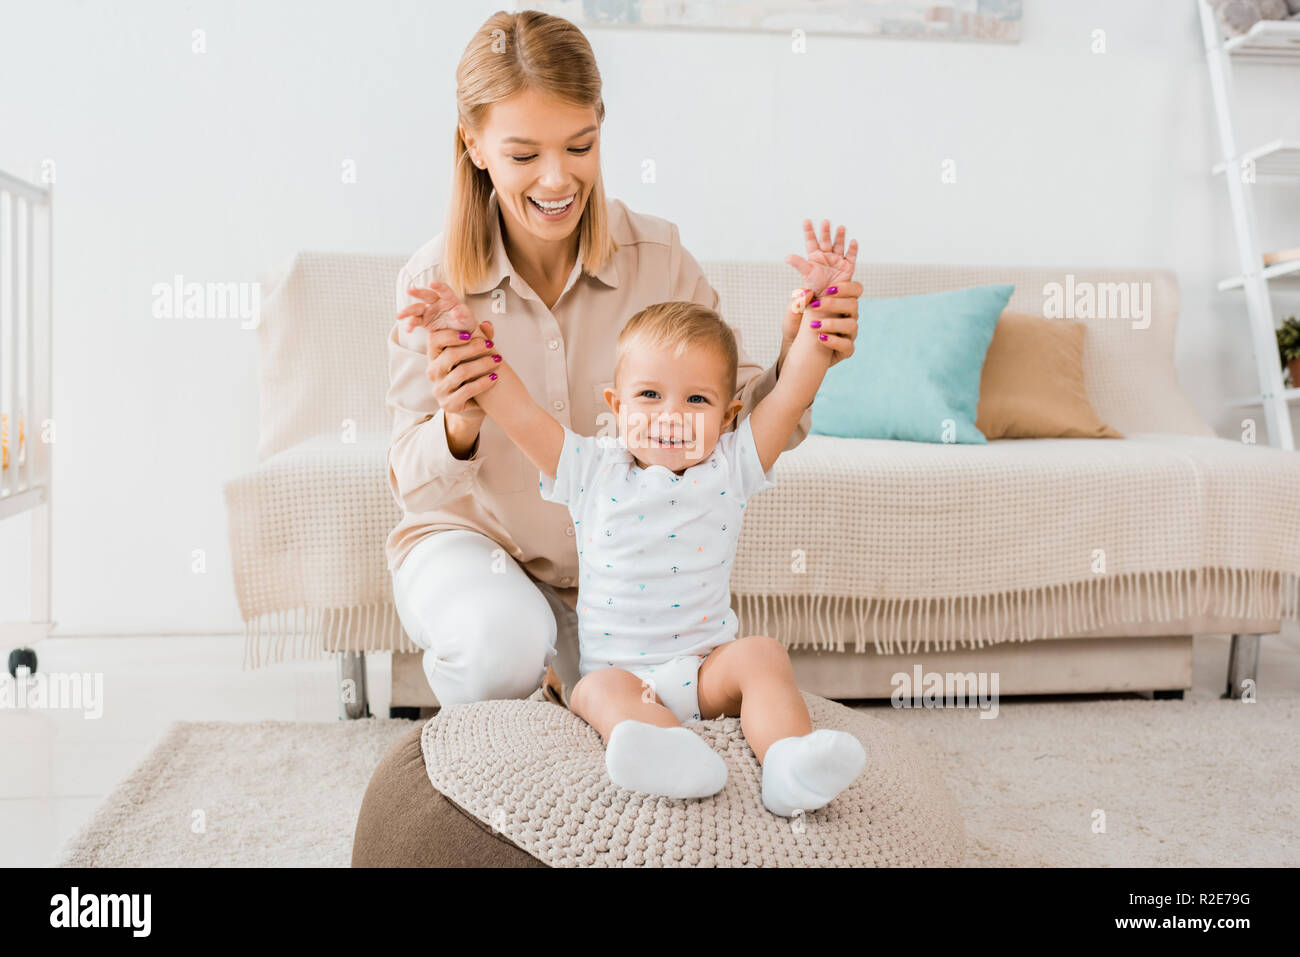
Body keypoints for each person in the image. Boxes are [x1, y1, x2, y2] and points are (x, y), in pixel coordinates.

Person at [386, 8, 862, 712]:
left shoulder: (661, 260)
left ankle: (559, 686)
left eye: (580, 146)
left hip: (619, 579)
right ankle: (488, 744)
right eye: (524, 155)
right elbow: (412, 485)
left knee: (623, 701)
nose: (556, 181)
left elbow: (737, 433)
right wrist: (459, 422)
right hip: (474, 547)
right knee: (500, 648)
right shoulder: (435, 283)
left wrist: (807, 345)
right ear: (475, 144)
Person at [442, 295, 868, 815]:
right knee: (593, 691)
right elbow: (518, 411)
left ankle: (789, 763)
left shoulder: (732, 465)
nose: (672, 416)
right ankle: (670, 752)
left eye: (697, 400)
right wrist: (464, 336)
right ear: (615, 405)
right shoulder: (589, 470)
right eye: (649, 394)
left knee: (763, 655)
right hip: (622, 677)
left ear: (729, 414)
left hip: (704, 672)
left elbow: (792, 394)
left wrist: (818, 320)